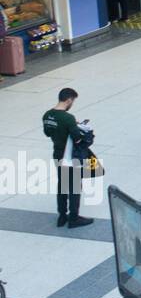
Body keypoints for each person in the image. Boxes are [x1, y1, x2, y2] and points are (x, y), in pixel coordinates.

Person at [42, 88, 93, 228]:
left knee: (62, 184)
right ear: (69, 99)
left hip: (57, 154)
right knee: (75, 186)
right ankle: (74, 218)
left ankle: (62, 215)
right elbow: (77, 139)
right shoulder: (68, 118)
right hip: (71, 156)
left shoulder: (47, 115)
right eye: (73, 101)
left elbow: (47, 133)